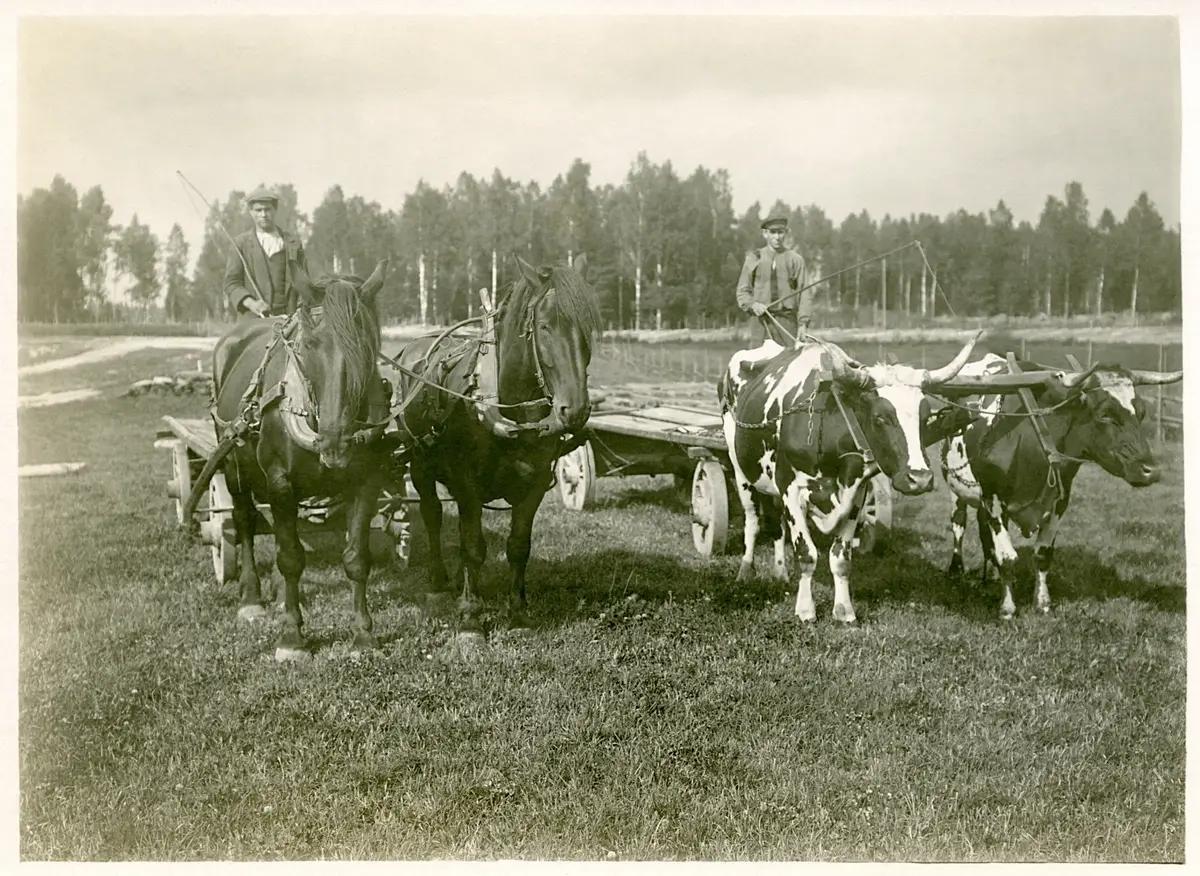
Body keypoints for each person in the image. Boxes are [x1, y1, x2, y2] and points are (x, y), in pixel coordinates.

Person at [726, 208, 811, 382]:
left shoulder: (795, 260)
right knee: (756, 371)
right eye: (773, 232)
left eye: (781, 232)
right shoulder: (754, 258)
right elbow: (742, 291)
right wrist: (753, 305)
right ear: (765, 233)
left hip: (787, 324)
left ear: (786, 233)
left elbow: (805, 293)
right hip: (761, 323)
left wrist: (803, 324)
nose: (778, 237)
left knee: (790, 370)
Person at [223, 185, 310, 318]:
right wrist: (252, 304)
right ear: (251, 212)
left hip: (289, 321)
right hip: (254, 324)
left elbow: (304, 284)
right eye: (258, 210)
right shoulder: (240, 244)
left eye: (267, 209)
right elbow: (232, 283)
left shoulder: (293, 244)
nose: (263, 215)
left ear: (275, 210)